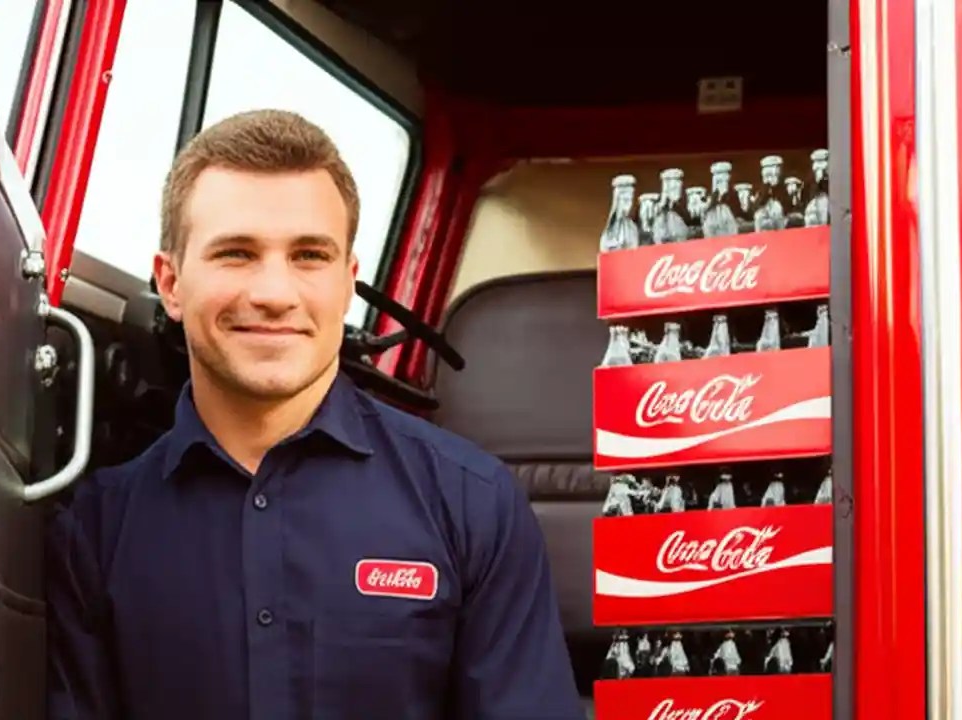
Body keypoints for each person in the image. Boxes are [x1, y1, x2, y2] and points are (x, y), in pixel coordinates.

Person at [46, 108, 585, 720]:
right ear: (170, 283)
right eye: (236, 254)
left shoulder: (473, 504)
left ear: (348, 282)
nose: (275, 294)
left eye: (308, 256)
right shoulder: (92, 534)